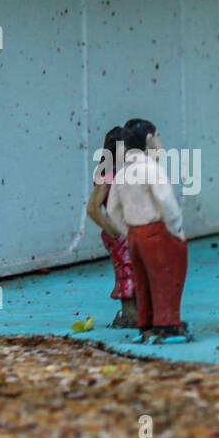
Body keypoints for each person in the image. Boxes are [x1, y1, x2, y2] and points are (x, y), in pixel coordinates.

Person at [105, 118, 191, 344]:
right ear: (150, 140)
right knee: (167, 276)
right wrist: (177, 230)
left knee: (142, 280)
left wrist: (128, 231)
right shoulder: (151, 170)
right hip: (156, 232)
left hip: (134, 234)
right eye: (157, 136)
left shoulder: (123, 173)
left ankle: (146, 324)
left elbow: (113, 209)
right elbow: (166, 203)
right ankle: (168, 325)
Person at [85, 126, 138, 328]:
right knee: (127, 272)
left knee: (138, 271)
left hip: (132, 231)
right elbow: (92, 208)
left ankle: (139, 312)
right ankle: (129, 314)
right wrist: (114, 231)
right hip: (121, 235)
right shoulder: (108, 175)